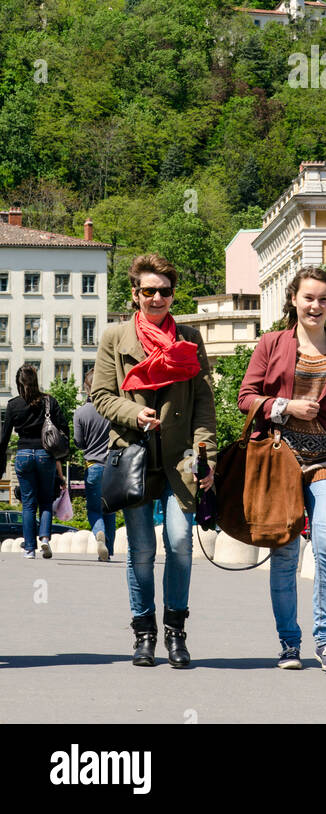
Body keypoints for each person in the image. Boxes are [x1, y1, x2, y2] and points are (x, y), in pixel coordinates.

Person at [238, 266, 326, 674]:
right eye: (308, 298)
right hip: (279, 455)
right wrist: (285, 406)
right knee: (284, 552)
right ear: (293, 300)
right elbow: (246, 397)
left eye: (323, 299)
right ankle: (289, 643)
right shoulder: (271, 343)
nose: (315, 306)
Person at [92, 253, 217, 669]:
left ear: (172, 294)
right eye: (149, 290)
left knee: (180, 544)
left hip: (181, 460)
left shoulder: (189, 339)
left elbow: (203, 403)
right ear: (135, 294)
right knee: (142, 550)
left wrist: (206, 455)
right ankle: (144, 634)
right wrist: (133, 414)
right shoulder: (114, 337)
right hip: (135, 456)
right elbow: (101, 394)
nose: (158, 297)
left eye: (165, 291)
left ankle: (176, 633)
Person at [0, 365, 68, 559]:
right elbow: (64, 429)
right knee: (46, 500)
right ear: (36, 381)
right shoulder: (49, 402)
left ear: (18, 383)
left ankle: (29, 548)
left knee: (29, 504)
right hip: (45, 455)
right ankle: (45, 539)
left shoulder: (13, 405)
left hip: (22, 455)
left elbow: (3, 438)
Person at [73, 369, 116, 561]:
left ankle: (99, 533)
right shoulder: (111, 410)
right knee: (110, 509)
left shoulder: (80, 413)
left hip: (93, 466)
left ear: (86, 388)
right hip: (113, 467)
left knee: (94, 509)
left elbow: (79, 442)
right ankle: (110, 548)